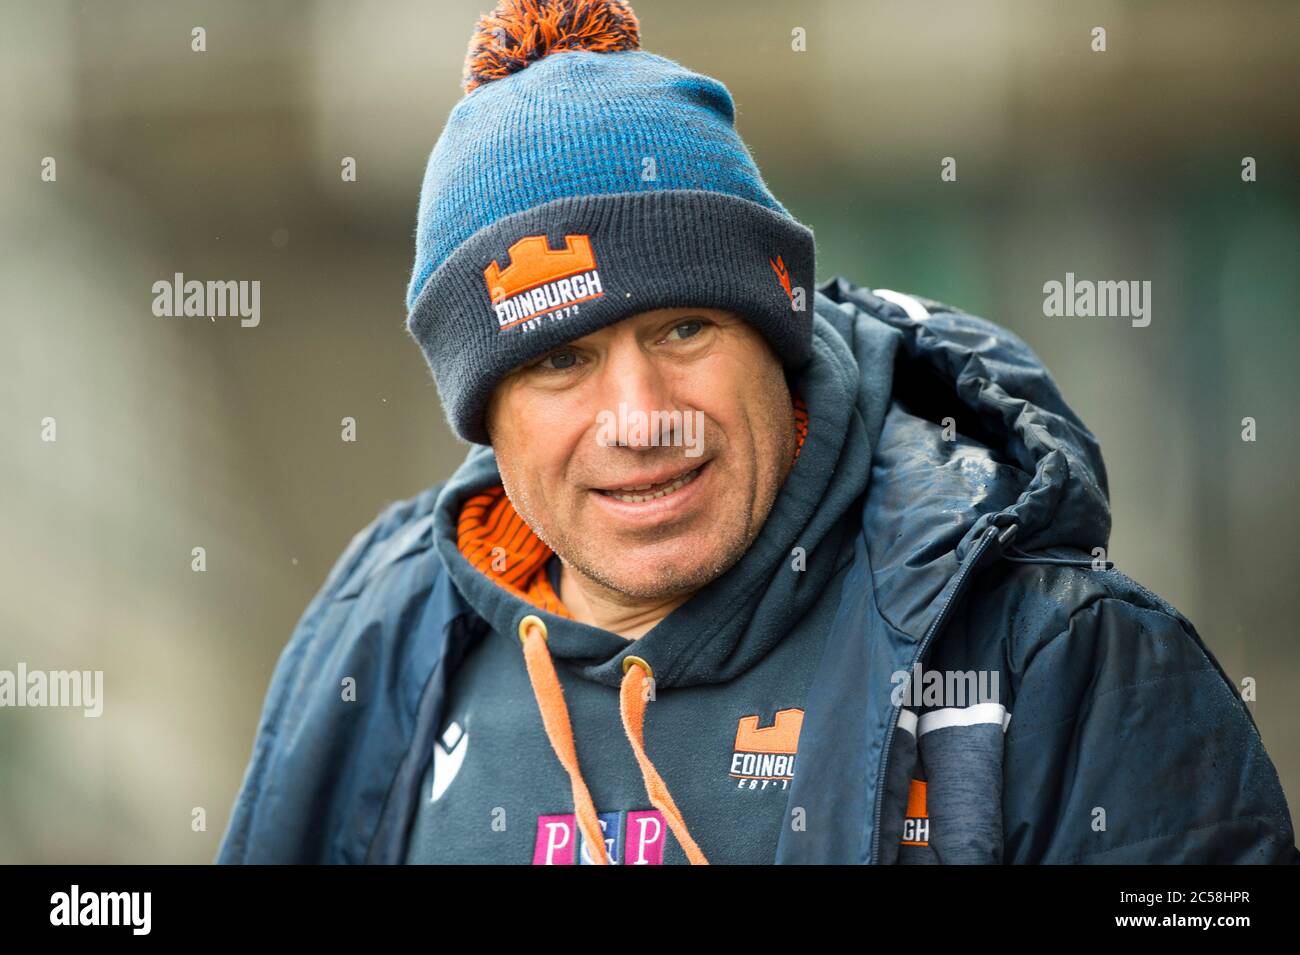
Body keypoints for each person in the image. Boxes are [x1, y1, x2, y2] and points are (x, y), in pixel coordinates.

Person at [216, 0, 1298, 865]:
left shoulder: (1062, 667)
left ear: (779, 334)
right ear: (484, 412)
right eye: (561, 360)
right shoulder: (378, 653)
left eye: (683, 327)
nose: (640, 419)